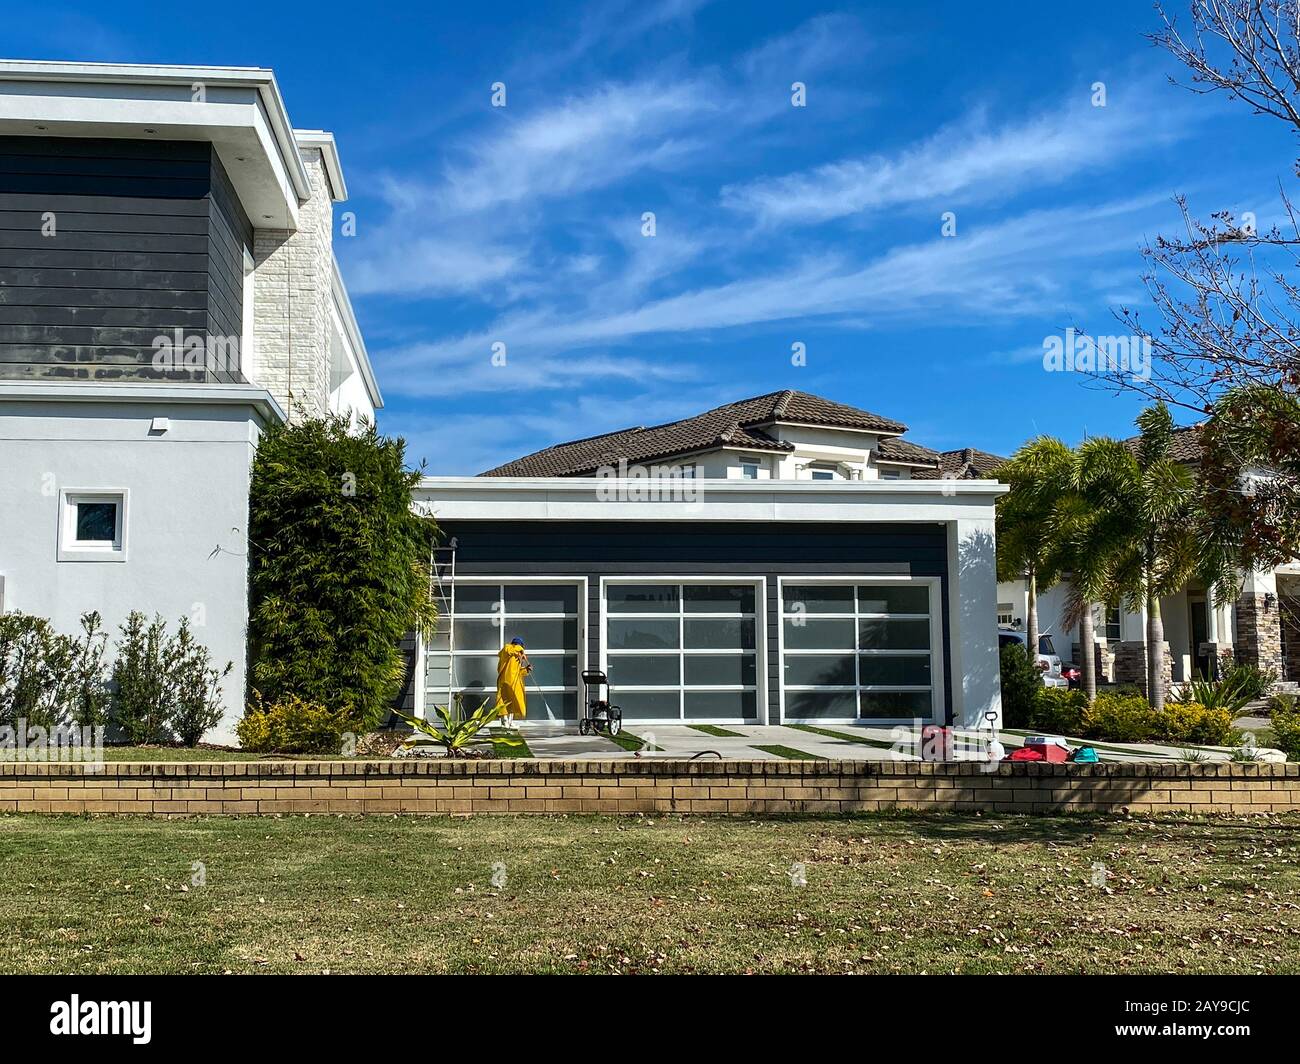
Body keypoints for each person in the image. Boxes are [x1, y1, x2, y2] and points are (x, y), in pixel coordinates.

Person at [495, 638, 532, 729]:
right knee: (503, 701)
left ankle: (510, 722)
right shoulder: (507, 650)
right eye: (520, 647)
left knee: (513, 701)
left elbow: (518, 672)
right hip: (505, 681)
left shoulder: (517, 656)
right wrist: (520, 650)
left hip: (514, 682)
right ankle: (504, 722)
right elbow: (508, 650)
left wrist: (526, 669)